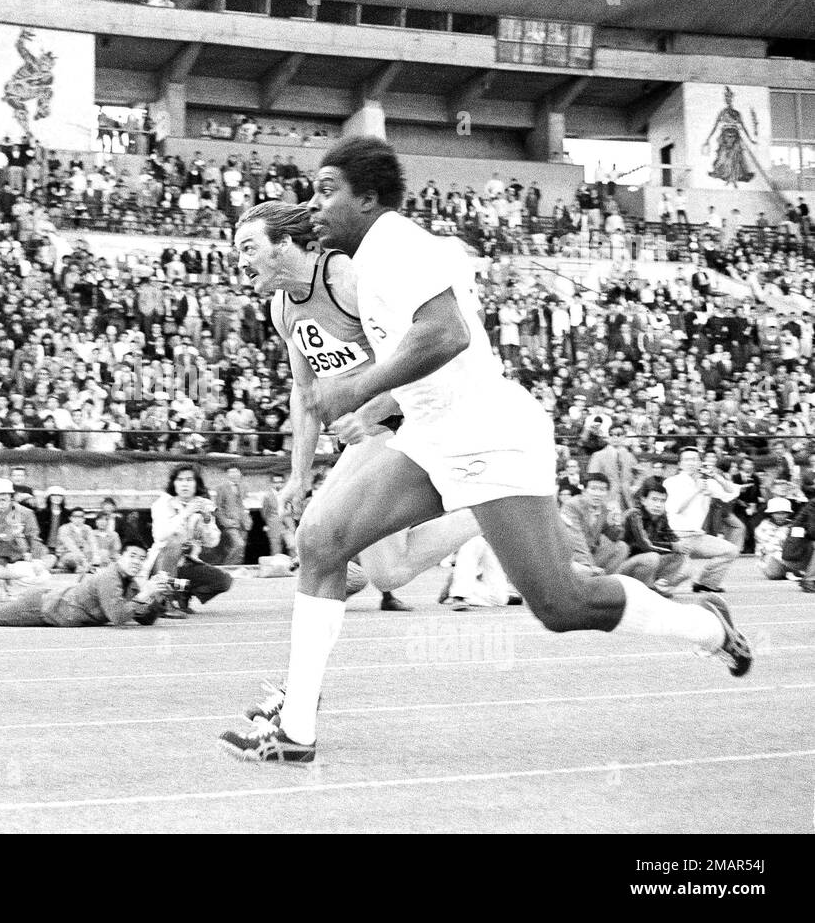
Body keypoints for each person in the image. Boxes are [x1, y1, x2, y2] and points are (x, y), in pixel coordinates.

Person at [220, 138, 749, 763]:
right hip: (426, 432)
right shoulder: (359, 259)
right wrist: (334, 429)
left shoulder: (397, 246)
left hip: (487, 436)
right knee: (321, 541)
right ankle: (297, 729)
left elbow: (446, 334)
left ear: (366, 199)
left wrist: (357, 389)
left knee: (560, 604)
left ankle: (706, 625)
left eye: (327, 189)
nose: (313, 206)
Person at [229, 200, 481, 621]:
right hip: (368, 430)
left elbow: (423, 355)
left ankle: (304, 677)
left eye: (248, 248)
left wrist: (368, 412)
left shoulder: (347, 279)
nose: (240, 262)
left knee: (320, 529)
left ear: (285, 243)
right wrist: (297, 476)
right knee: (389, 571)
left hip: (406, 416)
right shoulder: (281, 309)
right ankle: (492, 508)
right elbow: (304, 395)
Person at [0, 540, 168, 628]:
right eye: (132, 556)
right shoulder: (110, 577)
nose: (136, 561)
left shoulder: (127, 580)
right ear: (120, 557)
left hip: (48, 603)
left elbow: (144, 618)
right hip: (43, 608)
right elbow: (119, 617)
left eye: (141, 558)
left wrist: (157, 596)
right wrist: (145, 592)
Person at [147, 464, 232, 614]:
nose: (184, 484)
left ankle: (182, 593)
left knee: (224, 581)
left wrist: (206, 520)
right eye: (180, 480)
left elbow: (212, 542)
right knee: (174, 543)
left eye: (189, 480)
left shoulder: (201, 503)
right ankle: (164, 601)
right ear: (174, 484)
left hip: (186, 564)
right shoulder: (162, 504)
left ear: (196, 484)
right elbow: (160, 534)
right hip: (160, 565)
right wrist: (185, 513)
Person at [662, 447, 742, 593]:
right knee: (685, 572)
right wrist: (697, 491)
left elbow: (731, 493)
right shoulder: (671, 482)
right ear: (680, 464)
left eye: (695, 459)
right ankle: (656, 587)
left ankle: (706, 583)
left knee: (730, 550)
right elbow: (677, 509)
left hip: (698, 536)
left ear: (700, 462)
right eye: (687, 460)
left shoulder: (706, 481)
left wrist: (717, 477)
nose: (691, 463)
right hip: (677, 537)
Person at [0, 477, 52, 602]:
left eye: (5, 494)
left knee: (43, 576)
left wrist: (37, 560)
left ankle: (14, 593)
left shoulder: (26, 513)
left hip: (16, 562)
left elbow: (34, 539)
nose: (2, 498)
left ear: (11, 495)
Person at [618, 479, 690, 597]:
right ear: (643, 500)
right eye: (654, 499)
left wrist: (680, 544)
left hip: (645, 562)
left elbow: (670, 534)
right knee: (652, 557)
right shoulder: (634, 515)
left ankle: (658, 587)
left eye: (662, 501)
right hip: (625, 565)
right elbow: (645, 545)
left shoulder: (660, 516)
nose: (658, 504)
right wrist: (672, 546)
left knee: (680, 558)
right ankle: (642, 592)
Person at [560, 474, 629, 577]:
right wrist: (589, 567)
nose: (598, 494)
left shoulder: (604, 509)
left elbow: (616, 537)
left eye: (602, 490)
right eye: (593, 488)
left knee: (622, 547)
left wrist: (616, 520)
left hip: (589, 556)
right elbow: (576, 541)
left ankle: (601, 581)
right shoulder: (572, 506)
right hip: (568, 558)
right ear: (584, 490)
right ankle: (592, 579)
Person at [587, 425, 637, 512]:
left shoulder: (629, 456)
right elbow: (592, 478)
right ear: (608, 437)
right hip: (607, 497)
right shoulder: (598, 455)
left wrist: (635, 486)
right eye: (611, 434)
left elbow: (641, 473)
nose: (614, 437)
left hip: (627, 499)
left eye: (618, 434)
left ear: (624, 437)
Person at [212, 466, 252, 564]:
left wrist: (248, 519)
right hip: (230, 523)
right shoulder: (221, 488)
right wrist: (225, 521)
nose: (234, 474)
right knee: (239, 544)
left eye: (236, 472)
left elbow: (247, 504)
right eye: (231, 472)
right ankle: (227, 568)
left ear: (240, 474)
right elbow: (218, 508)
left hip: (243, 523)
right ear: (227, 474)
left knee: (241, 550)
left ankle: (237, 570)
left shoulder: (244, 487)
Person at [754, 498, 801, 581]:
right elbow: (768, 548)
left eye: (783, 513)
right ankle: (790, 571)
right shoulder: (763, 527)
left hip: (790, 557)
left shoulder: (793, 526)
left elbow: (799, 543)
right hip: (770, 558)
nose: (780, 516)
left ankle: (793, 571)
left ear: (788, 514)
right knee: (774, 574)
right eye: (777, 513)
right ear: (771, 514)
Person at [262, 473, 296, 557]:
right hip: (274, 526)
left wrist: (290, 523)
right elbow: (265, 513)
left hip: (288, 525)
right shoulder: (267, 496)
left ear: (283, 483)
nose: (278, 484)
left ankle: (295, 568)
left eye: (280, 482)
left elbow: (292, 509)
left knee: (293, 547)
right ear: (272, 483)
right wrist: (270, 523)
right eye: (276, 482)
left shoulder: (288, 494)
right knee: (276, 550)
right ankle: (276, 569)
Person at [54, 507, 96, 573]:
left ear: (84, 519)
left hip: (85, 555)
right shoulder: (64, 528)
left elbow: (93, 543)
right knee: (73, 557)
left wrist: (95, 555)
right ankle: (80, 568)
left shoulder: (87, 528)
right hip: (67, 554)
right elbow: (71, 546)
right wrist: (84, 560)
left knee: (102, 553)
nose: (78, 519)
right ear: (70, 518)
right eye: (75, 516)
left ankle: (84, 567)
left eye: (81, 517)